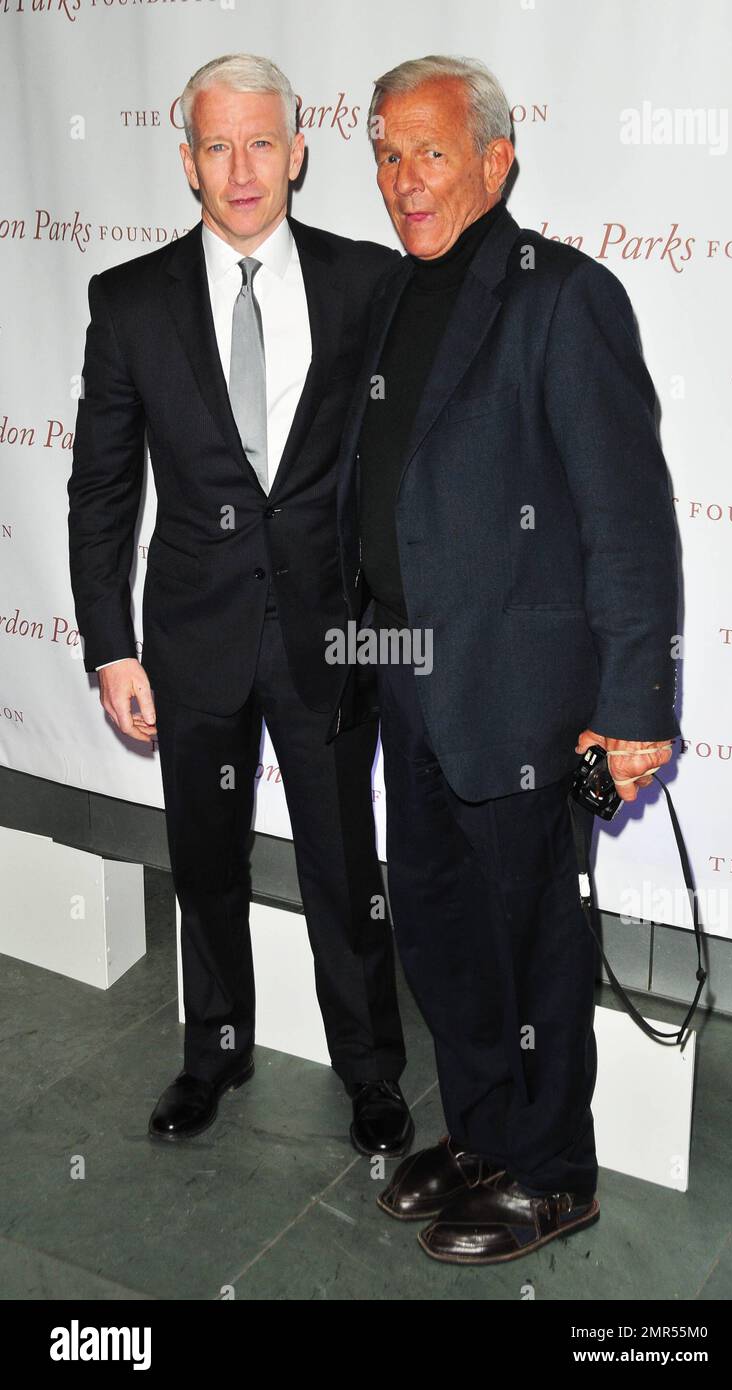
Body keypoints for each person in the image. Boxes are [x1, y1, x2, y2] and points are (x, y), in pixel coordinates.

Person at [334, 54, 679, 1263]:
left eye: (429, 151)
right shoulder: (389, 296)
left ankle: (553, 1173)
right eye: (384, 153)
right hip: (410, 679)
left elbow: (629, 520)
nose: (402, 178)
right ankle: (482, 1133)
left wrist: (632, 710)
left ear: (494, 158)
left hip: (523, 698)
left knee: (529, 937)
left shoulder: (562, 296)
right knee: (437, 924)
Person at [67, 53, 412, 1158]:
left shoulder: (370, 285)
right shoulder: (128, 303)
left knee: (341, 863)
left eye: (261, 140)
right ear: (186, 162)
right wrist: (109, 646)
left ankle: (368, 1069)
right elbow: (102, 486)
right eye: (216, 145)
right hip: (191, 638)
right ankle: (210, 1049)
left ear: (298, 152)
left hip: (326, 634)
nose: (241, 166)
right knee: (204, 855)